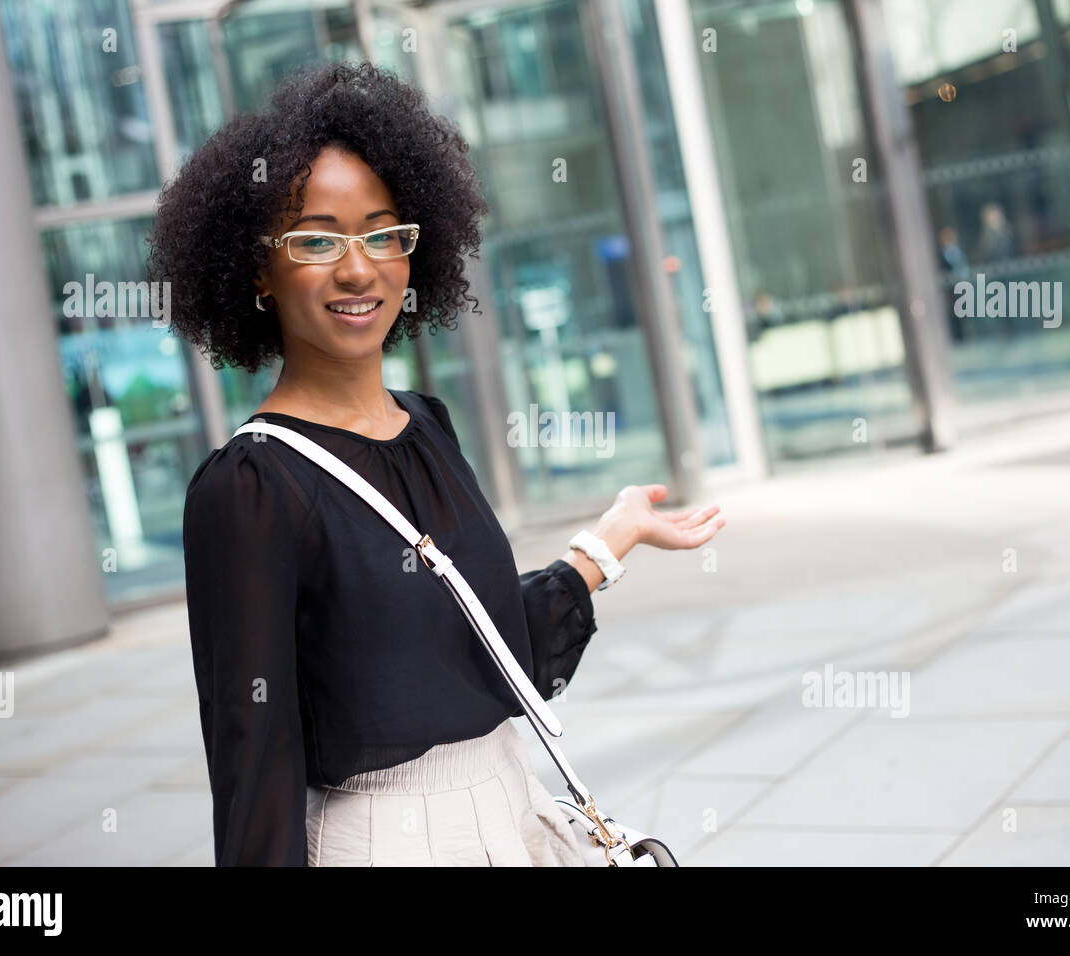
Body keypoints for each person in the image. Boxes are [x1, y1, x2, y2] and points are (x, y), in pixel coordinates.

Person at [146, 61, 725, 866]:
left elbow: (482, 646)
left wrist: (608, 542)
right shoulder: (251, 488)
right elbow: (254, 762)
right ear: (256, 270)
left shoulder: (427, 426)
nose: (359, 267)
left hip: (517, 815)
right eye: (318, 240)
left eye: (384, 232)